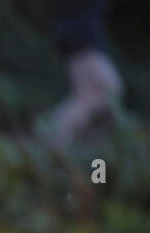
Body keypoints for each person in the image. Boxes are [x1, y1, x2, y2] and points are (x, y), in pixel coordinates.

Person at [48, 0, 123, 147]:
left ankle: (81, 148)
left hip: (83, 32)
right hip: (80, 33)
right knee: (101, 91)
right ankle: (52, 143)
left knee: (101, 95)